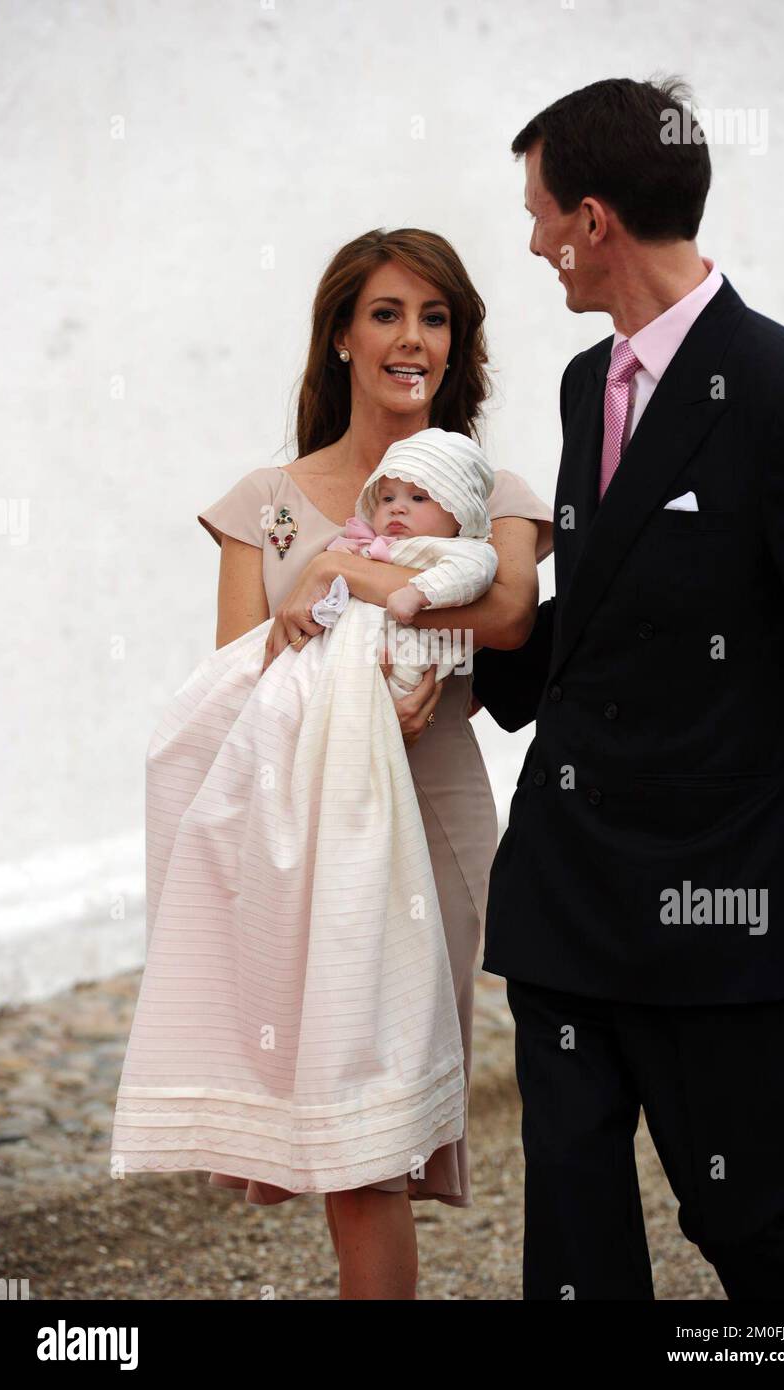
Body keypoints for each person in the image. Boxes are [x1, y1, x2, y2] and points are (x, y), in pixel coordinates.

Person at [113, 228, 554, 1300]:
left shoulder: (484, 487)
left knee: (369, 1157)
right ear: (343, 338)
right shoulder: (262, 503)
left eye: (436, 317)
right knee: (332, 1147)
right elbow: (233, 687)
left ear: (458, 343)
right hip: (290, 838)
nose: (414, 339)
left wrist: (337, 565)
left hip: (426, 825)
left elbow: (503, 612)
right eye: (389, 313)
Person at [470, 75, 784, 1300]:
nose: (531, 243)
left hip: (721, 903)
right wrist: (465, 631)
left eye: (538, 214)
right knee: (573, 1242)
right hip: (570, 886)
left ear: (593, 219)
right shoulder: (593, 384)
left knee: (752, 1227)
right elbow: (612, 600)